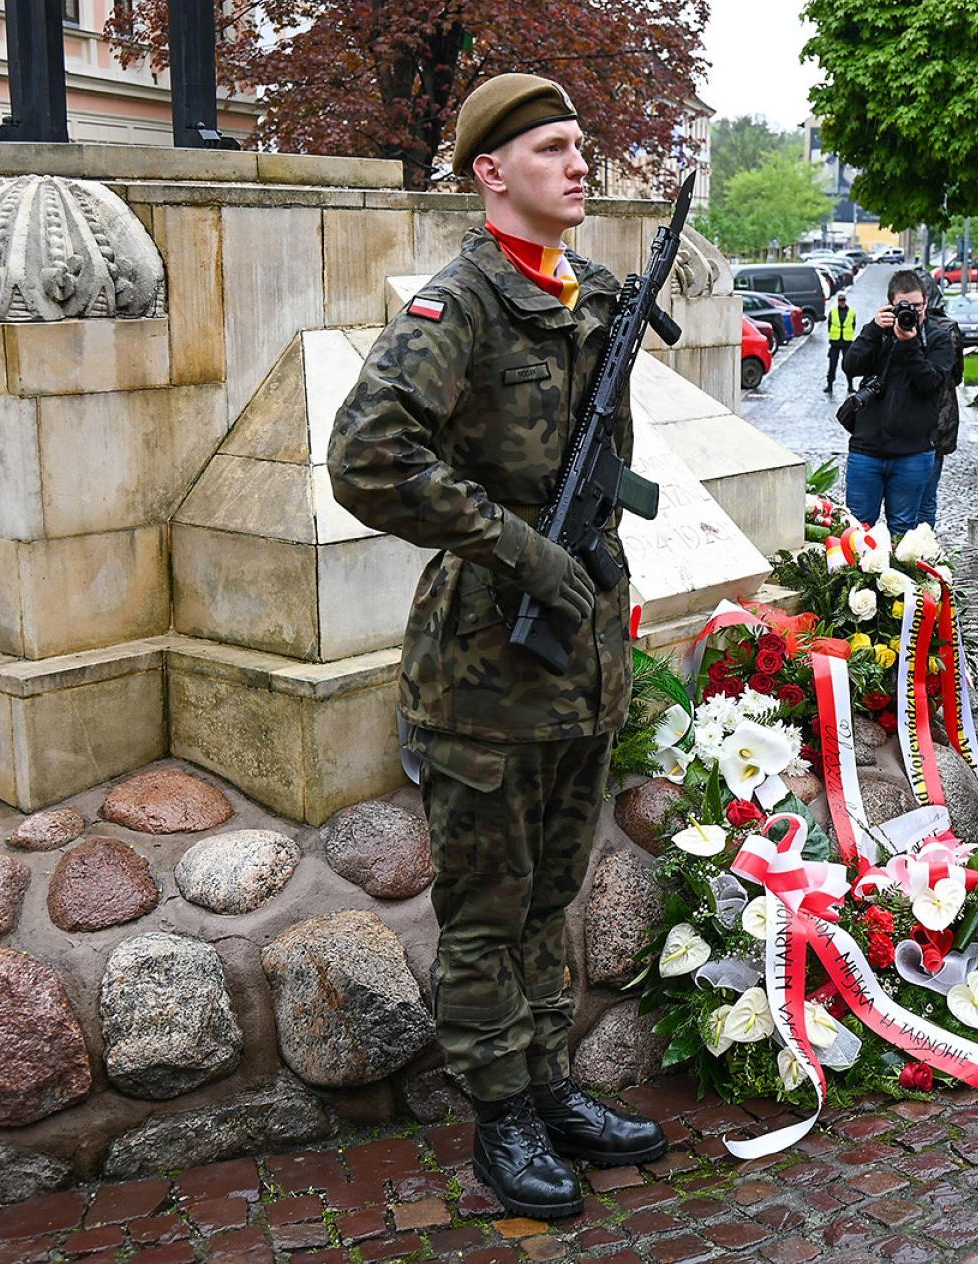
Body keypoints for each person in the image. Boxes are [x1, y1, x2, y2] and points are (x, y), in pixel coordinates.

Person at [325, 73, 666, 1222]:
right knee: (485, 907)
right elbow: (368, 456)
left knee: (548, 897)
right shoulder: (455, 304)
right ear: (490, 173)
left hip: (579, 660)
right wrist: (518, 550)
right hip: (484, 665)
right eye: (554, 149)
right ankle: (500, 1117)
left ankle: (548, 1082)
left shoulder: (589, 299)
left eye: (583, 145)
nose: (580, 165)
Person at [840, 268, 957, 537]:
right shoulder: (879, 333)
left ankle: (901, 580)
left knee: (904, 532)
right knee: (857, 529)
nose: (911, 313)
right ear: (890, 304)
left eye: (917, 306)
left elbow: (929, 383)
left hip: (913, 453)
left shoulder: (938, 338)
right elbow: (850, 366)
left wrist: (910, 343)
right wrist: (871, 329)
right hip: (866, 449)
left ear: (926, 302)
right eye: (904, 306)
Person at [919, 279, 965, 531]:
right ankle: (923, 546)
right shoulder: (950, 327)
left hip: (927, 419)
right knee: (928, 494)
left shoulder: (944, 329)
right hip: (941, 417)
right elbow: (957, 374)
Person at [825, 292, 858, 394]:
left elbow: (853, 325)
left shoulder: (851, 312)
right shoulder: (833, 312)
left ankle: (850, 386)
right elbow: (829, 325)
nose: (842, 302)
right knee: (832, 365)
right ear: (838, 301)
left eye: (843, 300)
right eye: (840, 300)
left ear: (845, 301)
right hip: (835, 342)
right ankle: (829, 385)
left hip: (846, 342)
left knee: (848, 365)